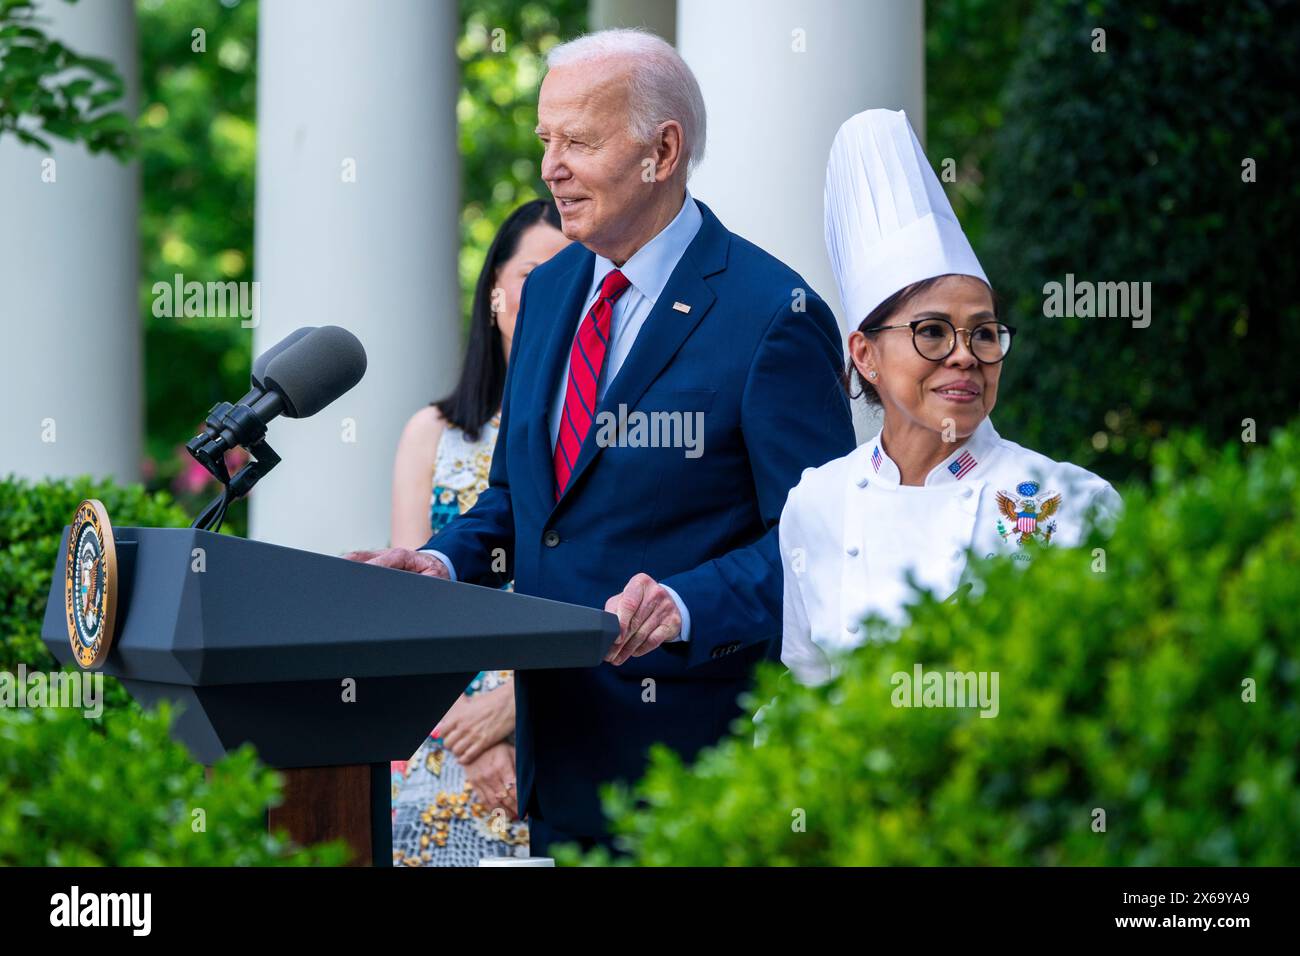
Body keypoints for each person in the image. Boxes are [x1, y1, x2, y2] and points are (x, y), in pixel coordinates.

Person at [346, 28, 856, 854]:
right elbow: (526, 500)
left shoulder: (773, 315)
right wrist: (438, 563)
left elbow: (824, 539)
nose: (550, 167)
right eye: (545, 139)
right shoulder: (547, 292)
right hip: (556, 768)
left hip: (695, 774)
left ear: (662, 151)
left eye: (577, 141)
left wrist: (685, 605)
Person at [779, 108, 1121, 686]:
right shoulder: (817, 502)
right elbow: (804, 692)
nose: (965, 355)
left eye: (984, 333)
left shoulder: (1074, 501)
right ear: (864, 354)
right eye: (932, 331)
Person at [388, 199, 569, 865]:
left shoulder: (587, 436)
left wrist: (516, 709)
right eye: (532, 274)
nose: (550, 290)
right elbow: (412, 609)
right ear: (494, 286)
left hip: (559, 720)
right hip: (449, 736)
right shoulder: (431, 434)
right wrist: (479, 738)